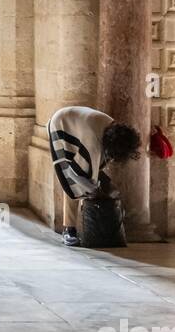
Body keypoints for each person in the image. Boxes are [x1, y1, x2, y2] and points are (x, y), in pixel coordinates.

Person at [48, 105, 143, 246]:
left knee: (88, 175)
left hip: (80, 124)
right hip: (62, 124)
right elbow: (75, 175)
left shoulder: (114, 130)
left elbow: (99, 161)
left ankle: (78, 224)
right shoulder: (93, 142)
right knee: (74, 184)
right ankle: (69, 229)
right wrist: (93, 190)